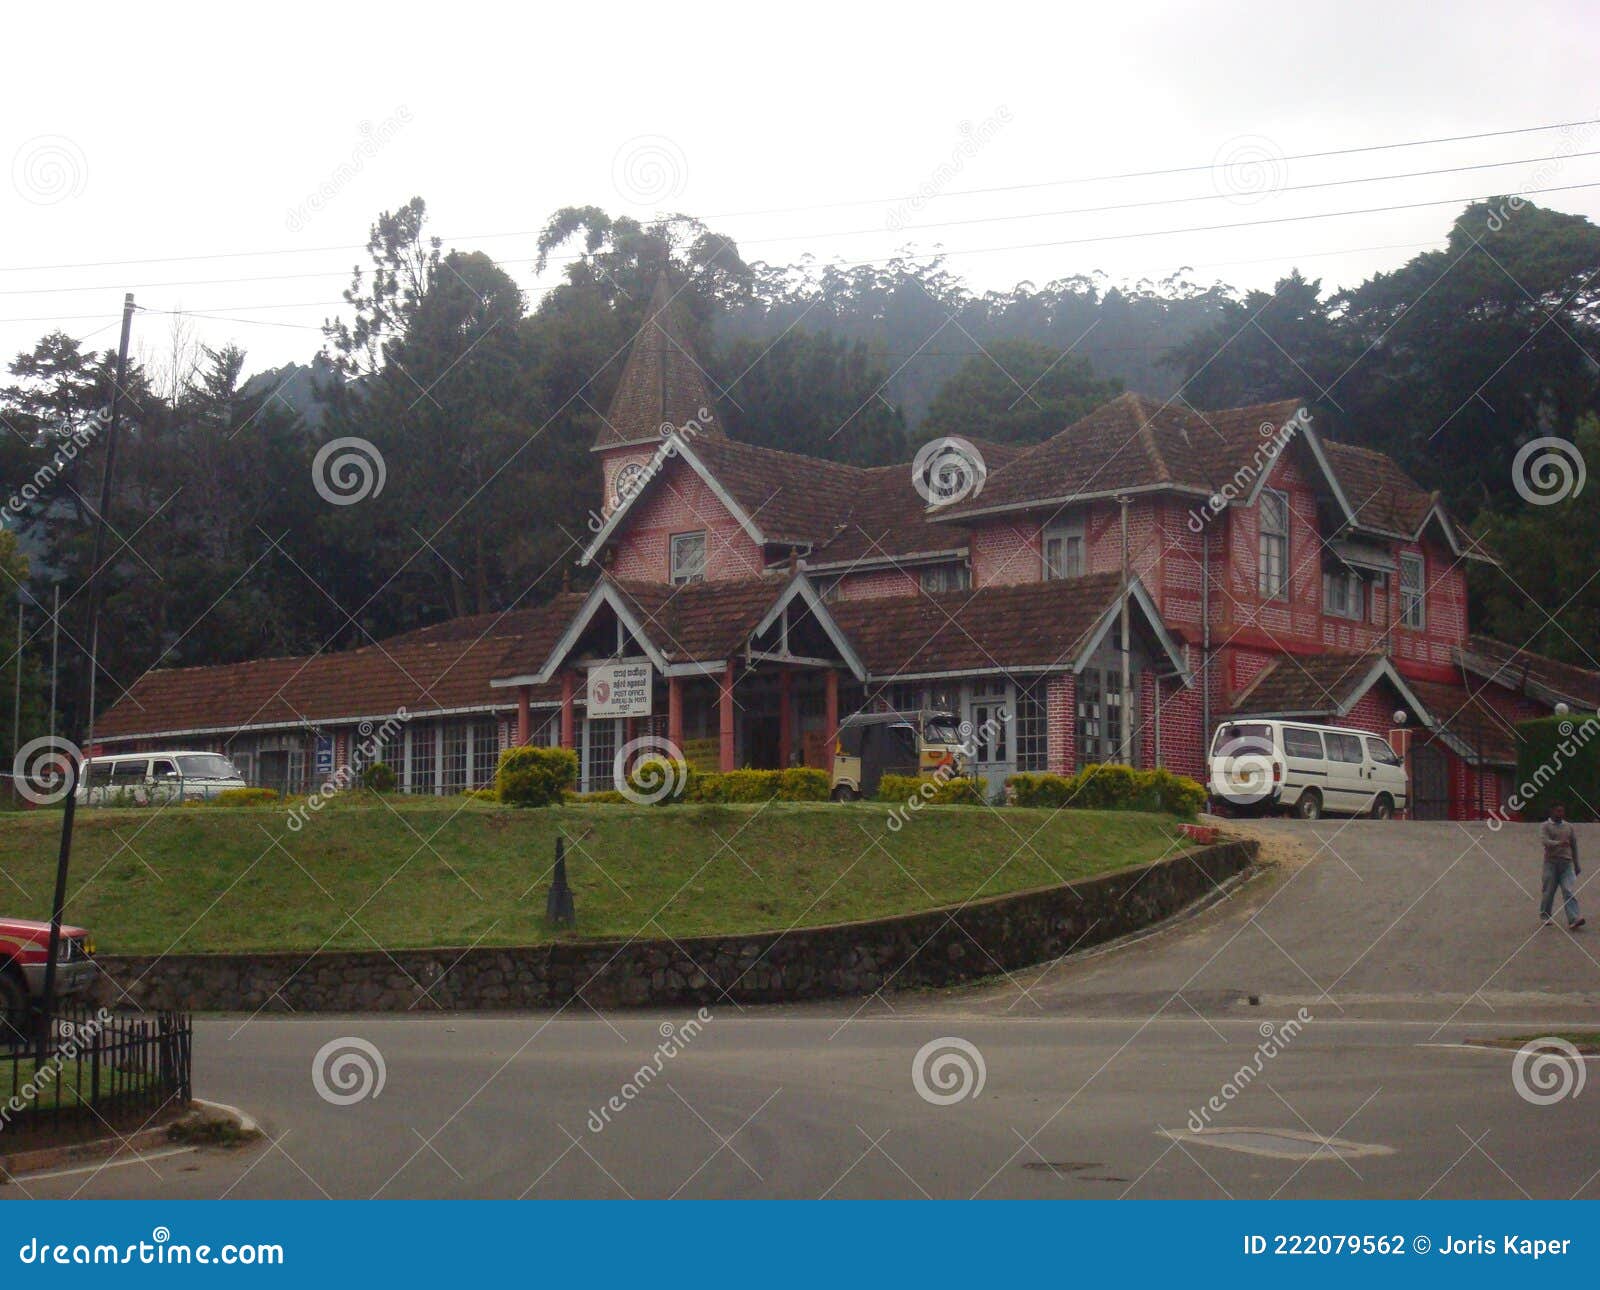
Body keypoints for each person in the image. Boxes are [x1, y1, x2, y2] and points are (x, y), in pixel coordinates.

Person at [1539, 803, 1585, 930]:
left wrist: (1577, 864)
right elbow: (1545, 841)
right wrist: (1559, 843)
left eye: (1562, 811)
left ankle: (1574, 919)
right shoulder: (1545, 826)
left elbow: (1574, 846)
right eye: (1558, 811)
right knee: (1548, 891)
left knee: (1568, 890)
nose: (1560, 814)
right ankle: (1545, 915)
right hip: (1551, 863)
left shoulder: (1569, 827)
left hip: (1567, 864)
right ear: (1552, 811)